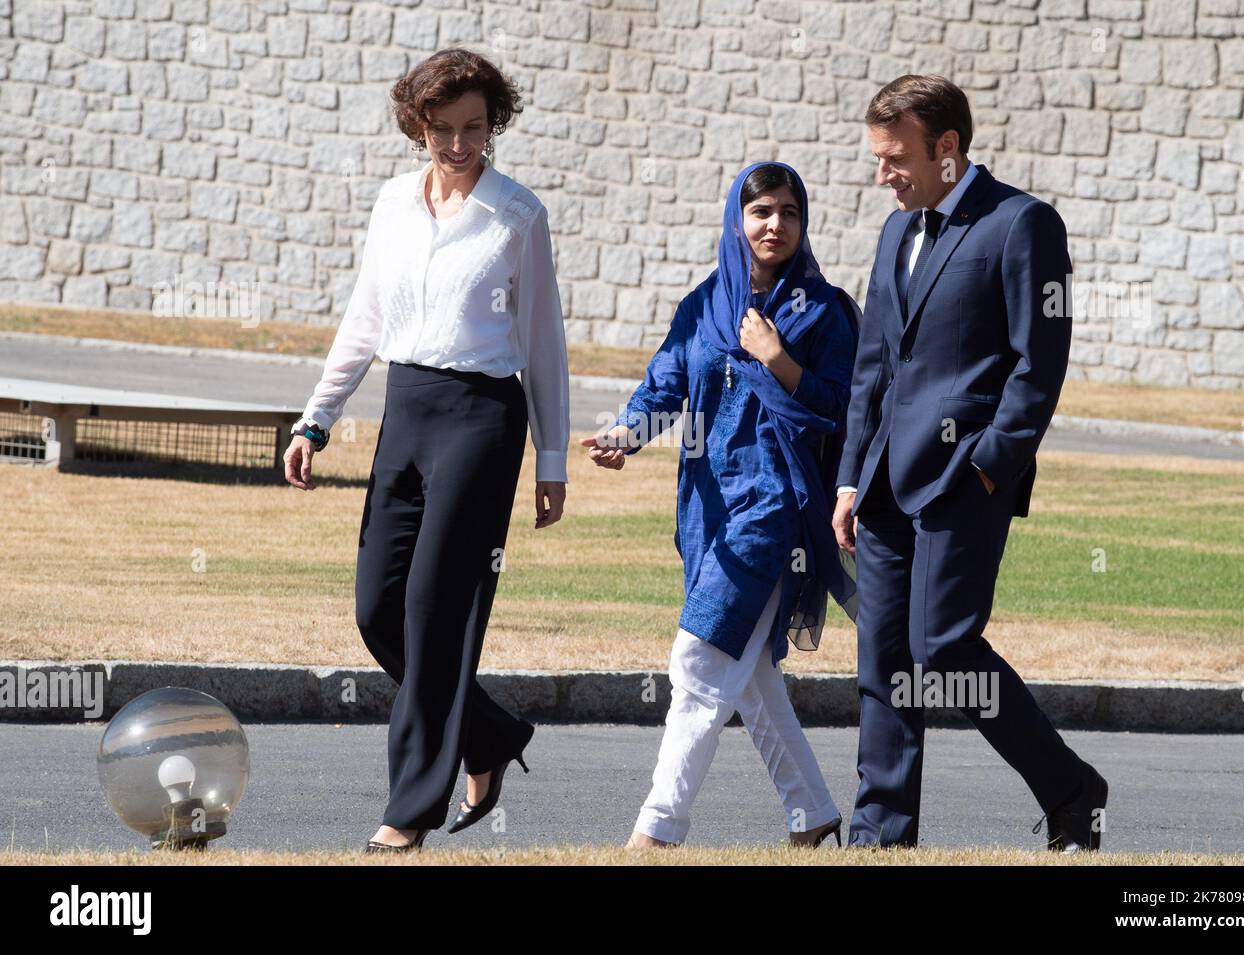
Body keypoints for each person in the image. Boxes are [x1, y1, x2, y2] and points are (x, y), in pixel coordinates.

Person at [282, 49, 569, 852]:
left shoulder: (519, 215)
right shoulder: (391, 204)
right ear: (417, 124)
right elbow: (365, 319)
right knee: (379, 608)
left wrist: (552, 462)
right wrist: (316, 419)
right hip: (406, 408)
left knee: (436, 610)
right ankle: (489, 734)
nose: (458, 143)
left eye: (474, 127)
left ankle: (408, 810)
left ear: (494, 123)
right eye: (441, 128)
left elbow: (544, 345)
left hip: (482, 417)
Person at [833, 74, 1108, 851]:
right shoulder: (897, 232)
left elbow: (1039, 364)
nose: (882, 174)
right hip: (886, 484)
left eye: (896, 159)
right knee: (883, 659)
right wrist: (851, 476)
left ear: (947, 148)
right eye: (878, 158)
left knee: (943, 646)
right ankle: (880, 833)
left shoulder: (1023, 225)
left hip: (965, 481)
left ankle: (1070, 787)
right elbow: (872, 369)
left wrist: (991, 465)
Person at [583, 161, 858, 848]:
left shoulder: (825, 311)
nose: (775, 224)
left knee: (700, 656)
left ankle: (657, 829)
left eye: (789, 212)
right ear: (739, 219)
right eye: (761, 210)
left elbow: (844, 406)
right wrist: (625, 435)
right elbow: (665, 388)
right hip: (711, 506)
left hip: (779, 507)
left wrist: (776, 359)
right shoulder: (706, 303)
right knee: (750, 669)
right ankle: (813, 813)